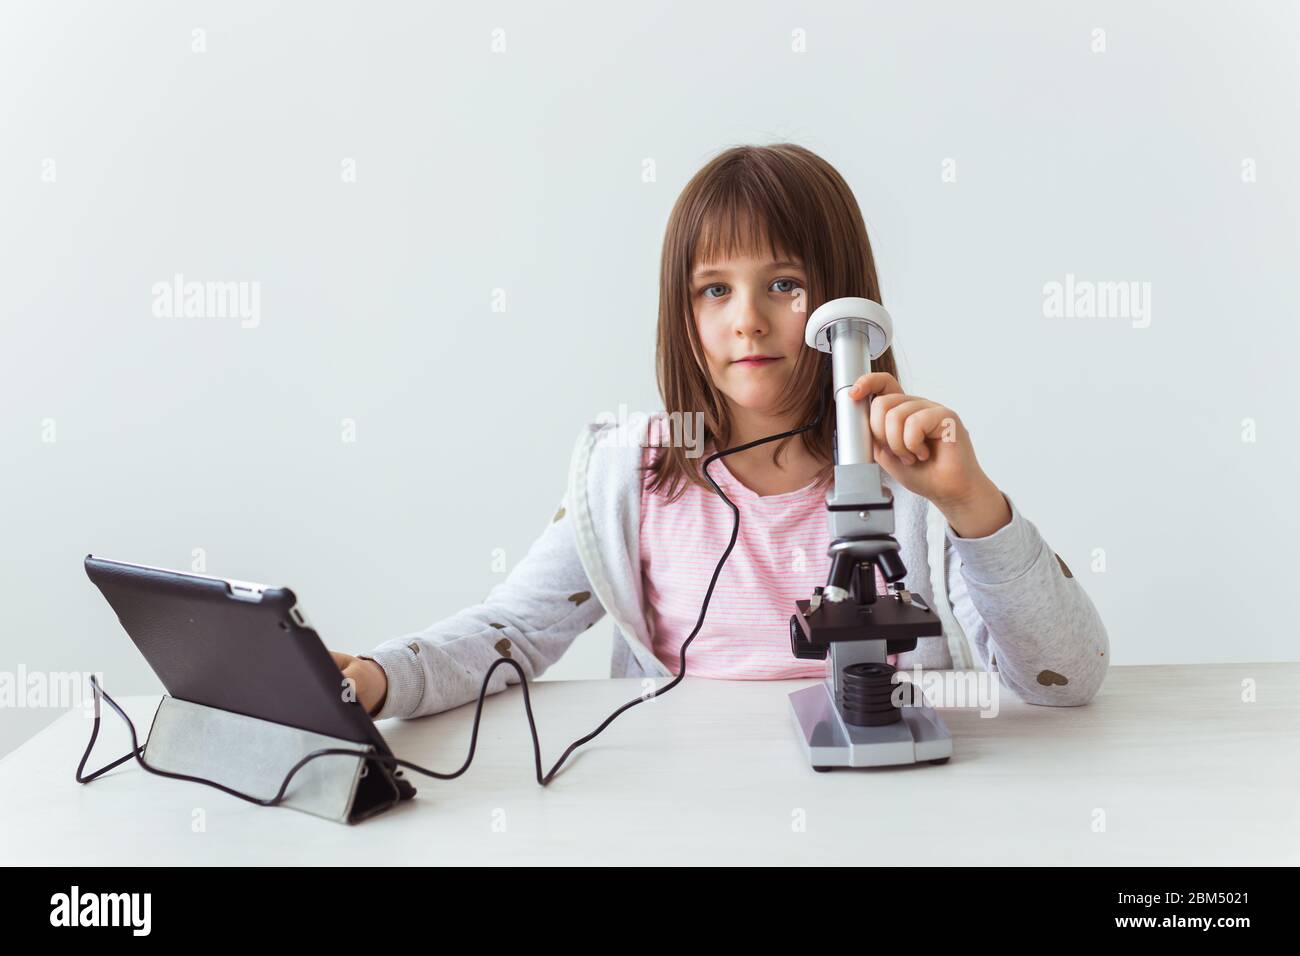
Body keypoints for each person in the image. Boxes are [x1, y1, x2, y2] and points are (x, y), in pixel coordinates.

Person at [331, 143, 1109, 721]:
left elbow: (1066, 679)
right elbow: (512, 630)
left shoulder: (910, 477)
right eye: (713, 289)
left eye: (784, 284)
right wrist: (377, 677)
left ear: (843, 303)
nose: (747, 320)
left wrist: (974, 509)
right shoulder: (627, 472)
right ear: (683, 312)